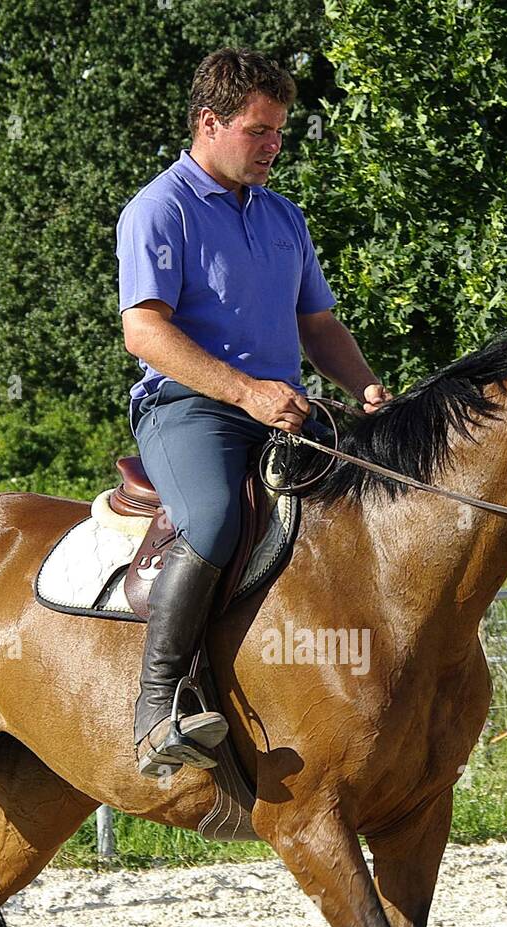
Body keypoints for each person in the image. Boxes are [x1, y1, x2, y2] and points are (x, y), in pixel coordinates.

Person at [116, 47, 391, 779]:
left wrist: (364, 385)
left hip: (288, 412)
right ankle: (157, 708)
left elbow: (319, 325)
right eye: (259, 131)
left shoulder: (282, 217)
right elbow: (143, 330)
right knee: (212, 520)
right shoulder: (158, 209)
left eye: (279, 132)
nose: (274, 146)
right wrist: (244, 391)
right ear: (210, 122)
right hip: (189, 411)